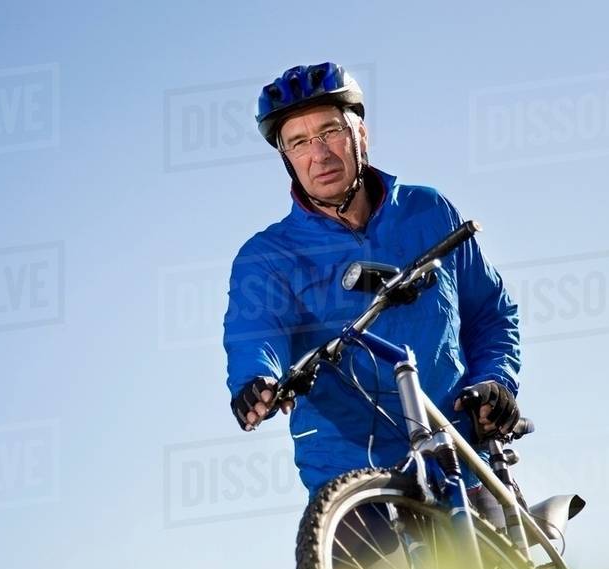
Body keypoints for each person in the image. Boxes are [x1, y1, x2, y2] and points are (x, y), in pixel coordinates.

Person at [222, 61, 521, 515]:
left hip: (456, 448)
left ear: (361, 135)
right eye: (299, 142)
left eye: (329, 132)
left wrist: (494, 381)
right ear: (286, 158)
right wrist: (255, 380)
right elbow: (256, 332)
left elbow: (490, 313)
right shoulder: (267, 256)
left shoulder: (428, 210)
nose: (318, 155)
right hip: (350, 473)